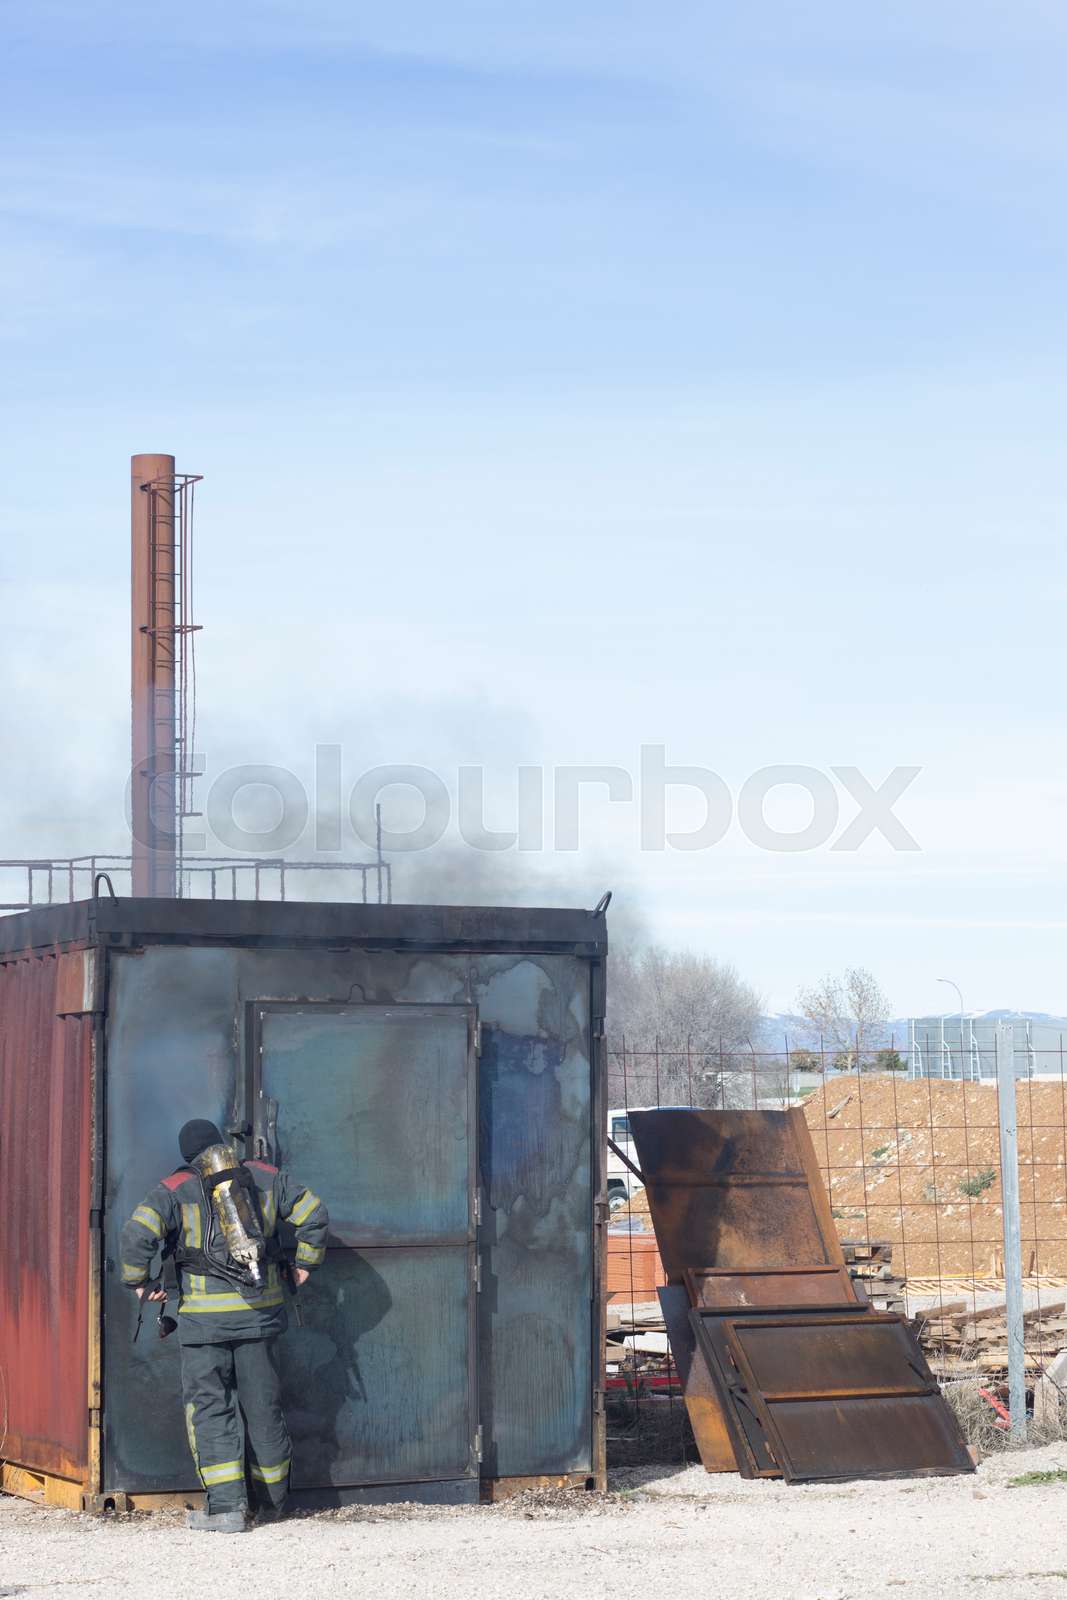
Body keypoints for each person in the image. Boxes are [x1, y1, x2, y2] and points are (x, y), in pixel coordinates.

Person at [120, 1118, 329, 1532]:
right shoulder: (265, 1178)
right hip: (260, 1315)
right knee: (264, 1409)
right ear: (220, 1146)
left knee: (212, 1410)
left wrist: (139, 1283)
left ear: (188, 1157)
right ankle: (272, 1505)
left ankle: (228, 1510)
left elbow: (136, 1235)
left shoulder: (174, 1187)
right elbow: (313, 1213)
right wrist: (306, 1264)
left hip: (204, 1326)